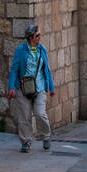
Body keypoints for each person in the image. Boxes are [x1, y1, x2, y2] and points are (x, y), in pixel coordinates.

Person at [8, 23, 55, 153]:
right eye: (37, 35)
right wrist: (11, 87)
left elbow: (47, 69)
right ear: (30, 37)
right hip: (23, 88)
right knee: (24, 116)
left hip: (39, 87)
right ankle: (26, 141)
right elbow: (14, 70)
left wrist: (51, 87)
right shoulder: (21, 50)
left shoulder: (42, 50)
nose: (40, 37)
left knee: (40, 113)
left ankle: (45, 136)